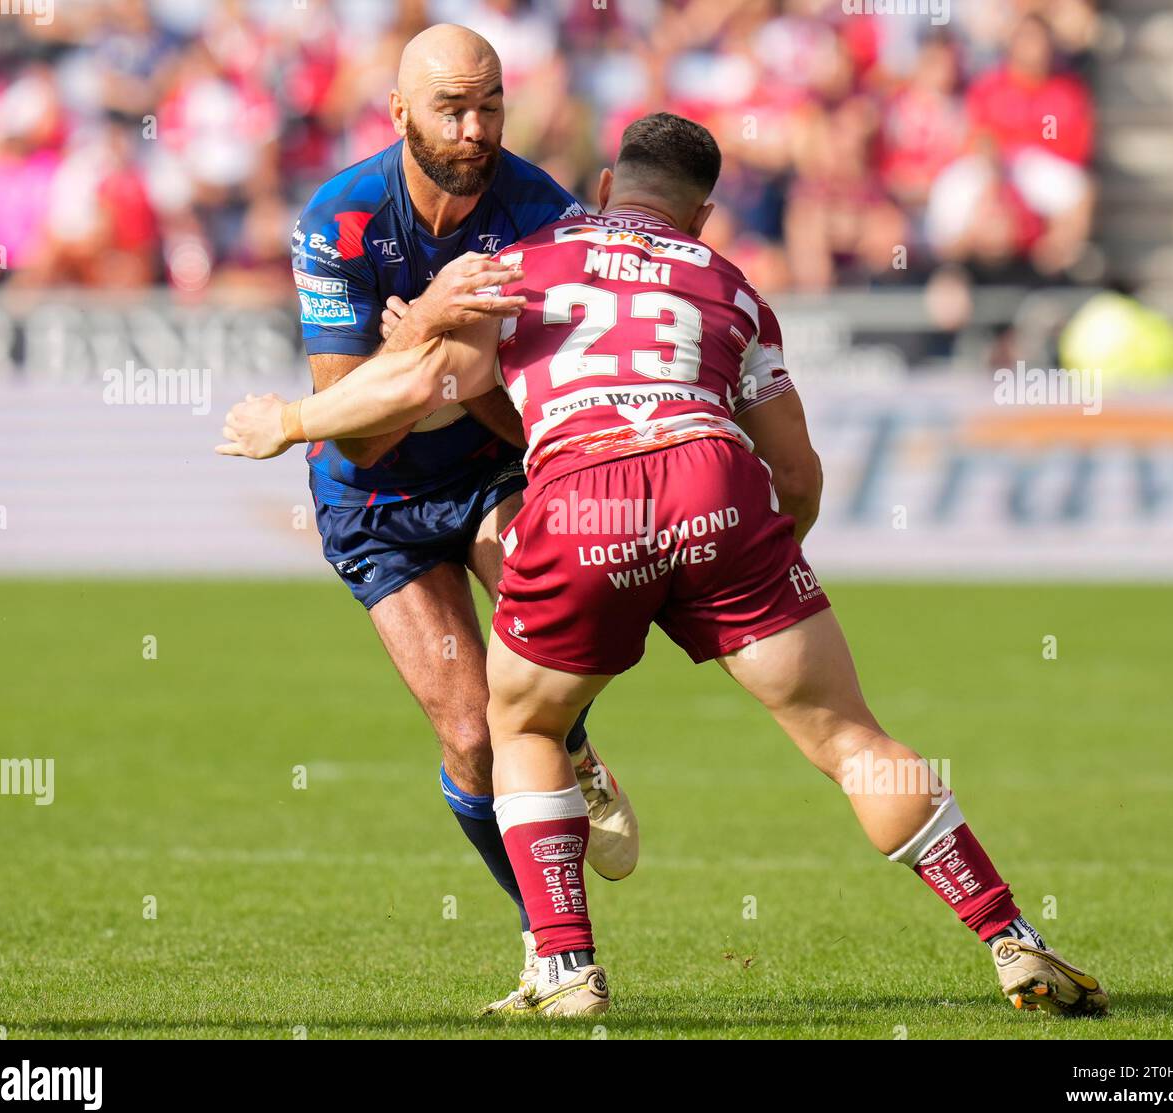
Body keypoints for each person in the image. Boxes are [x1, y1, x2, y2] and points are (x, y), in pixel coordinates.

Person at [219, 112, 1108, 1022]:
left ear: (605, 186)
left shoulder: (525, 263)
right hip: (711, 480)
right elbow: (797, 474)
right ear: (706, 214)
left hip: (582, 496)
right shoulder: (731, 288)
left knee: (521, 723)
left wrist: (286, 422)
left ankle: (567, 970)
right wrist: (761, 564)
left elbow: (416, 386)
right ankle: (1010, 941)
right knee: (848, 738)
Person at [277, 22, 637, 1012]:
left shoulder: (544, 216)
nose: (474, 128)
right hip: (377, 499)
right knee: (475, 735)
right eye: (451, 107)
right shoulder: (338, 220)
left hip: (492, 468)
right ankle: (543, 933)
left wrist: (435, 355)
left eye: (489, 106)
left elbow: (541, 411)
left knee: (577, 611)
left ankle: (567, 739)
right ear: (399, 113)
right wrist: (442, 333)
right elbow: (357, 436)